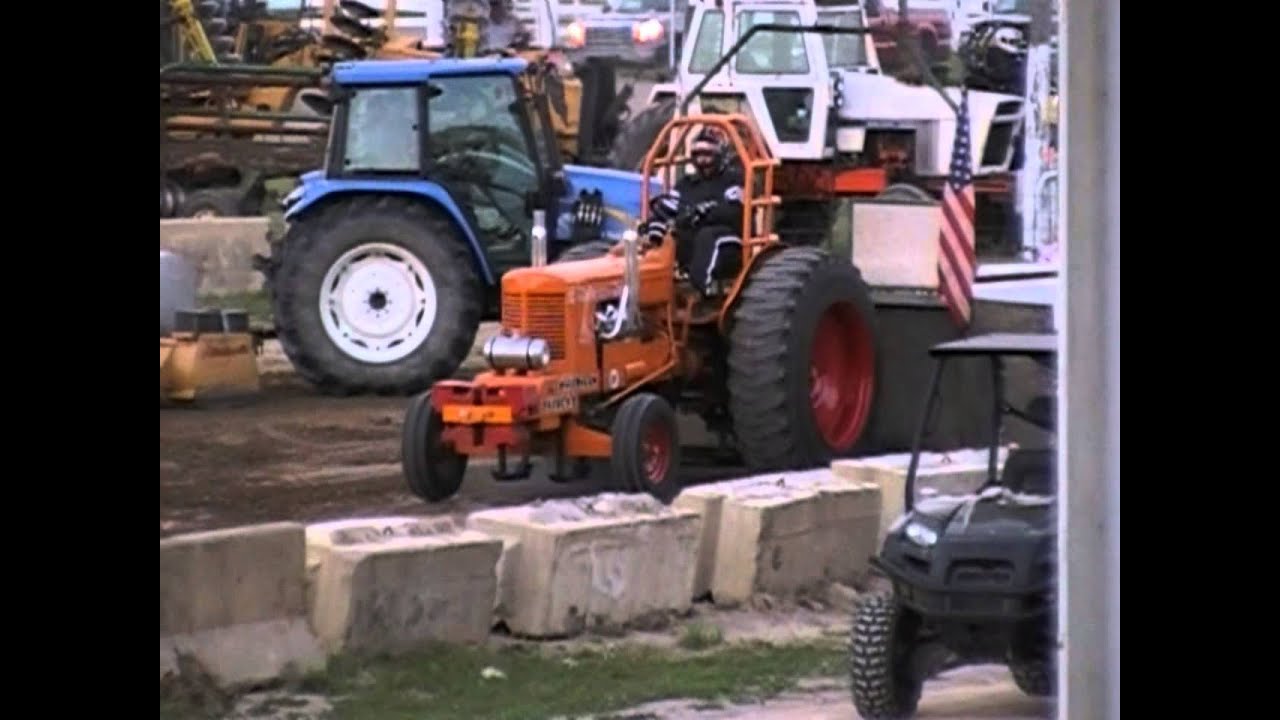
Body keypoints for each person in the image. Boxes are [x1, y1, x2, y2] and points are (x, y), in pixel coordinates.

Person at [642, 128, 746, 296]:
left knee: (707, 236)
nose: (702, 161)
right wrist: (653, 228)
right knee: (666, 236)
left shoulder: (733, 180)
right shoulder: (686, 184)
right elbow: (668, 209)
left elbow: (735, 213)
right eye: (697, 155)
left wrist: (706, 213)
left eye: (707, 155)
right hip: (694, 240)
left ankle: (701, 289)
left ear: (720, 156)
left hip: (731, 241)